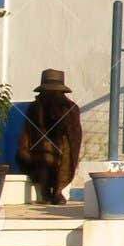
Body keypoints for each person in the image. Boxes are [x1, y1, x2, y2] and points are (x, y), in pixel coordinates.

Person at [16, 69, 83, 204]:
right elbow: (75, 136)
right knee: (54, 154)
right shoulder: (71, 107)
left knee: (44, 156)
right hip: (62, 156)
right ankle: (57, 193)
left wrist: (24, 151)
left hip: (40, 156)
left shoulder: (35, 107)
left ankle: (46, 193)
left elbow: (26, 135)